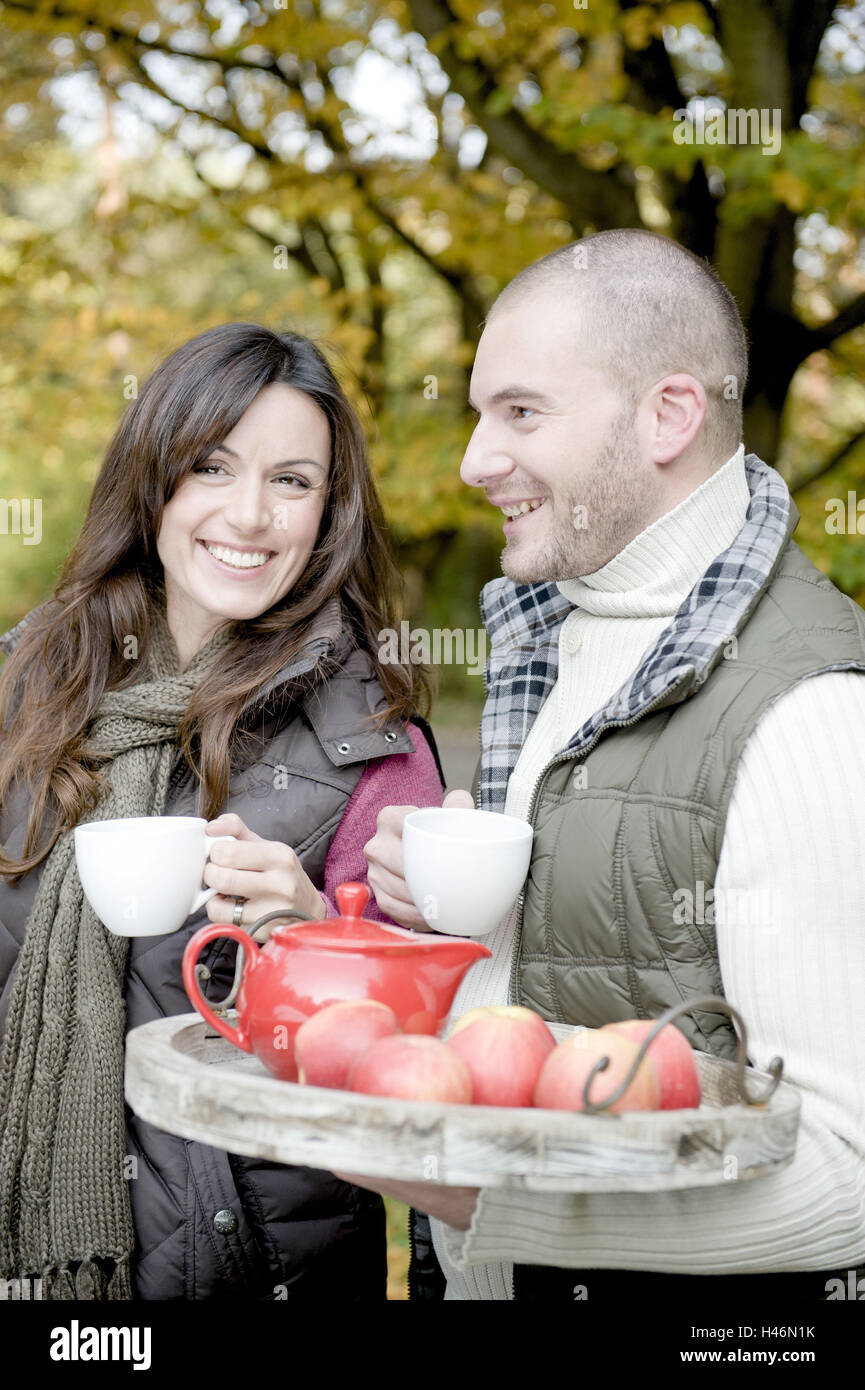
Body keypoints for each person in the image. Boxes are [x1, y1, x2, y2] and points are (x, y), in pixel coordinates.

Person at [355, 229, 865, 1300]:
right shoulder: (558, 636)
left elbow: (847, 1170)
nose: (473, 460)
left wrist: (496, 1201)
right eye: (476, 412)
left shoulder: (810, 711)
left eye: (522, 412)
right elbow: (585, 963)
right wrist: (466, 915)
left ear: (669, 415)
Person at [0, 322, 444, 1300]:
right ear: (153, 479)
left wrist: (313, 936)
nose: (249, 515)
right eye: (212, 466)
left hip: (256, 1276)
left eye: (291, 480)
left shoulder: (372, 739)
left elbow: (430, 1068)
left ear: (326, 513)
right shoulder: (25, 689)